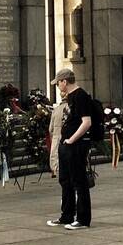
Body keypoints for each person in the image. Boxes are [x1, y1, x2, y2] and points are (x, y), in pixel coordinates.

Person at [47, 68, 93, 230]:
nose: (58, 86)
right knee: (65, 180)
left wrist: (71, 140)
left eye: (58, 83)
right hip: (66, 145)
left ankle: (82, 219)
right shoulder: (71, 97)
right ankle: (66, 216)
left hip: (76, 145)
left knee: (79, 181)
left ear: (64, 81)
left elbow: (86, 122)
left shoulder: (80, 96)